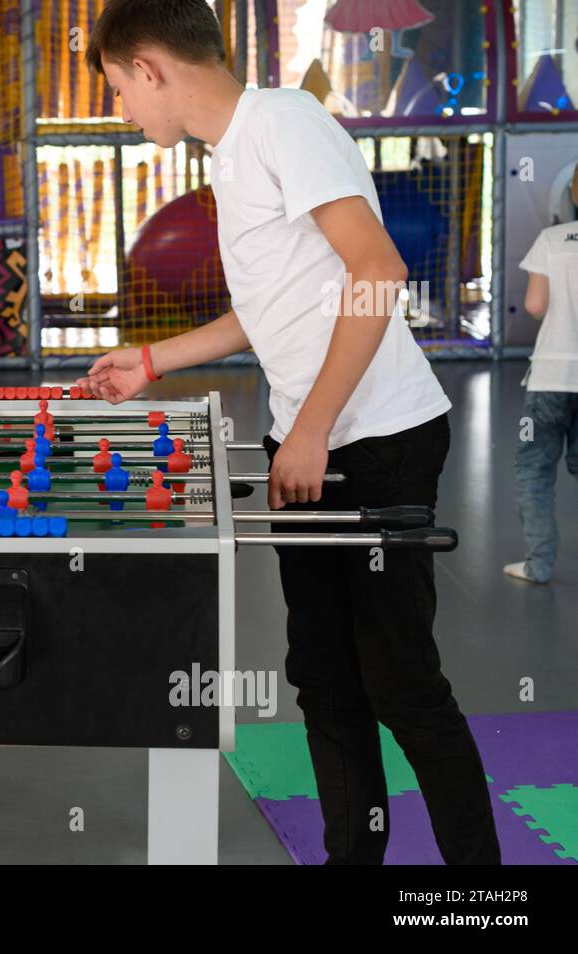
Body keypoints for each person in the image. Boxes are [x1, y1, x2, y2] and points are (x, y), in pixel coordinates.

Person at [78, 0, 499, 864]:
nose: (124, 109)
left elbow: (377, 272)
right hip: (309, 441)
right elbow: (268, 310)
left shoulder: (283, 120)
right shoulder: (232, 155)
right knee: (325, 682)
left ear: (151, 68)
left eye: (121, 89)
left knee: (403, 686)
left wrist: (310, 430)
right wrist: (152, 362)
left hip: (378, 439)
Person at [505, 165, 578, 583]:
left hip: (549, 381)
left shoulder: (551, 240)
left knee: (533, 466)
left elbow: (534, 305)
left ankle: (539, 563)